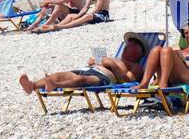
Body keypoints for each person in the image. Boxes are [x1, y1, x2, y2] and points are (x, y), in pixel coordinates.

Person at [18, 34, 147, 95]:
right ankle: (32, 85)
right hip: (88, 68)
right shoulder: (116, 57)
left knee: (81, 80)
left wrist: (113, 66)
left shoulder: (136, 67)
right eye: (127, 45)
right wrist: (94, 61)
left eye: (130, 46)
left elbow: (126, 81)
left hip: (104, 78)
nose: (126, 47)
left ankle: (55, 85)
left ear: (138, 51)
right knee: (59, 74)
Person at [134, 22, 189, 91]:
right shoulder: (181, 50)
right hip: (173, 77)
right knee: (156, 49)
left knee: (167, 50)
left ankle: (163, 84)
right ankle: (144, 82)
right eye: (186, 33)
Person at [33, 0, 112, 31]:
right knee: (71, 16)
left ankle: (60, 27)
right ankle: (54, 26)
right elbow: (85, 7)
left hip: (103, 15)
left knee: (88, 16)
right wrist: (78, 16)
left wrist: (85, 15)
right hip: (94, 14)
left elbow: (97, 8)